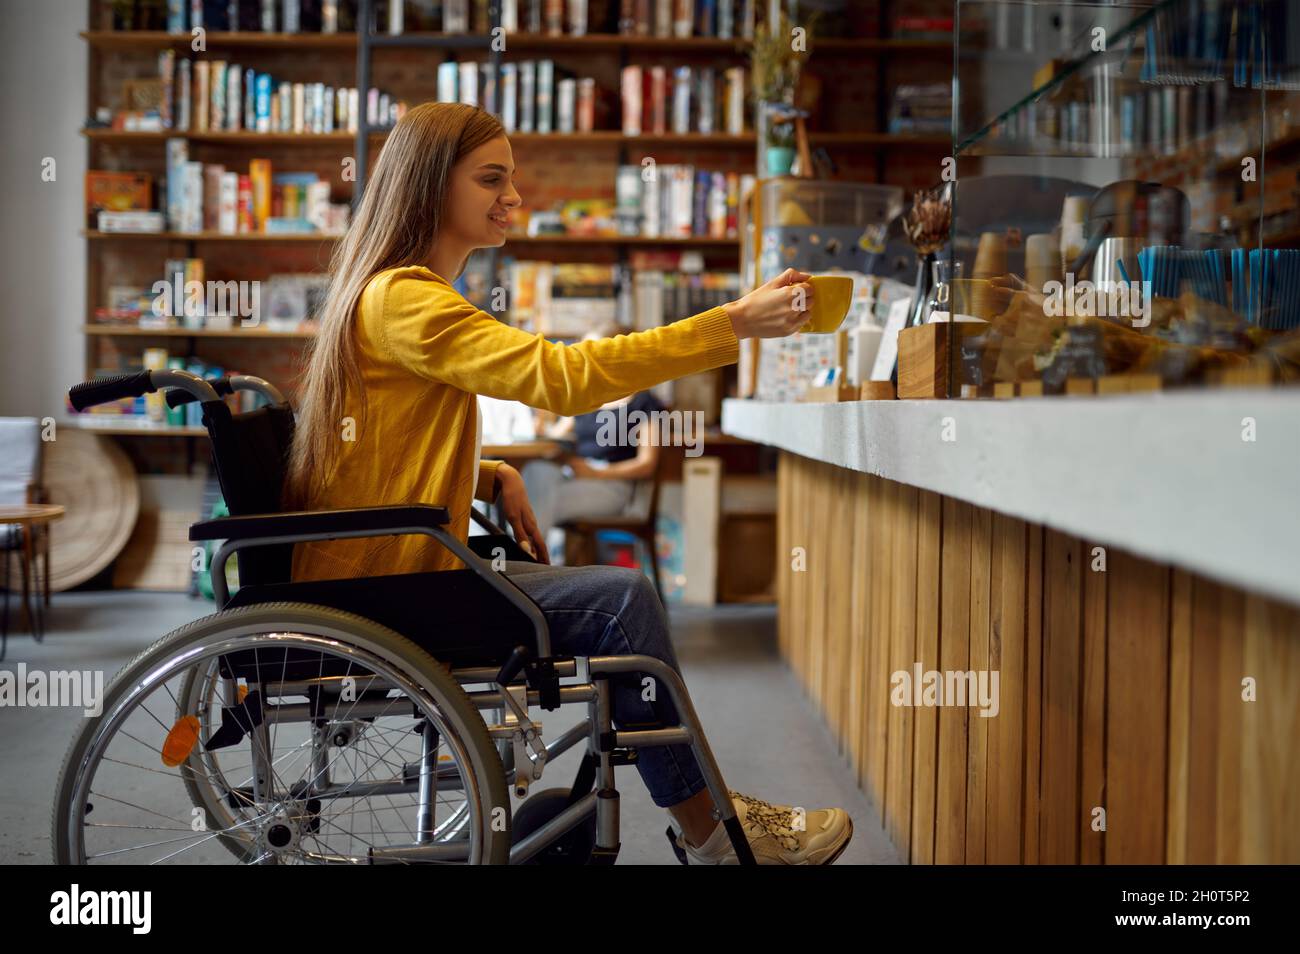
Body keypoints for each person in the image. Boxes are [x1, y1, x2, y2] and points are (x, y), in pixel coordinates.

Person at [284, 101, 851, 864]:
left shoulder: (390, 293)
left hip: (393, 571)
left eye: (512, 181)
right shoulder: (405, 298)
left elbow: (377, 451)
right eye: (491, 180)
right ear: (427, 186)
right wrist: (732, 324)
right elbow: (563, 379)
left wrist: (489, 472)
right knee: (623, 600)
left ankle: (706, 822)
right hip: (394, 586)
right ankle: (715, 837)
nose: (513, 199)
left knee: (615, 599)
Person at [522, 388, 666, 566]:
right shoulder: (587, 400)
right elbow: (553, 437)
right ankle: (530, 560)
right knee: (536, 470)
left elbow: (647, 463)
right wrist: (540, 423)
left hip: (614, 487)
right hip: (577, 480)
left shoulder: (643, 402)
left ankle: (526, 560)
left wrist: (597, 473)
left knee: (537, 499)